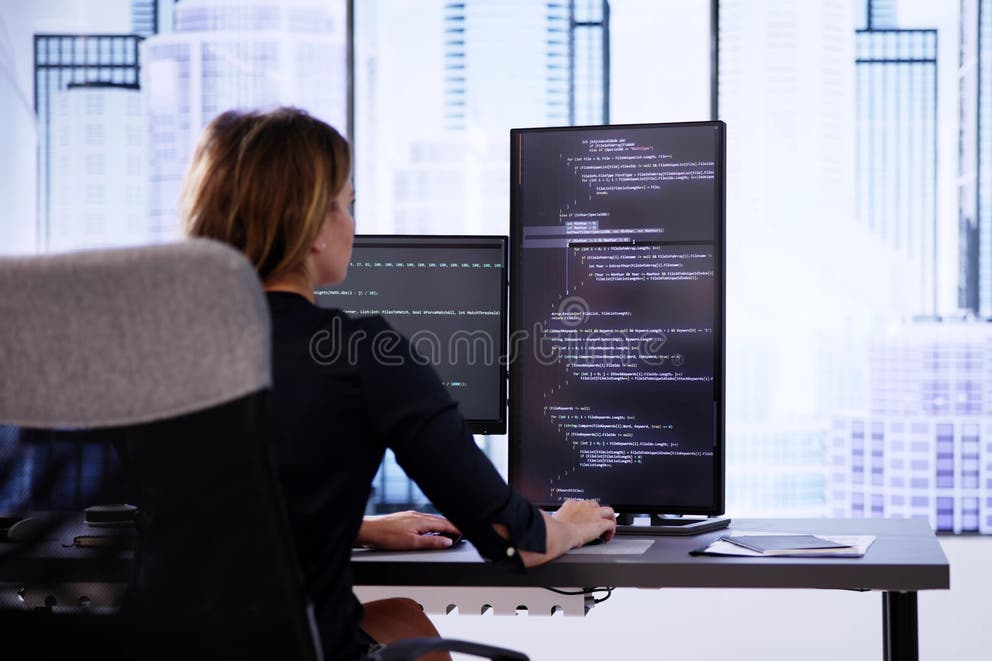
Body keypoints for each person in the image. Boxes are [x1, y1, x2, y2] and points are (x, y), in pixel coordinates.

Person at [180, 107, 616, 660]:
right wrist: (569, 524)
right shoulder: (362, 350)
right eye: (348, 204)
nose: (351, 223)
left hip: (157, 644)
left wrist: (358, 527)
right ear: (314, 227)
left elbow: (204, 509)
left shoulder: (162, 347)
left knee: (404, 619)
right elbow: (513, 542)